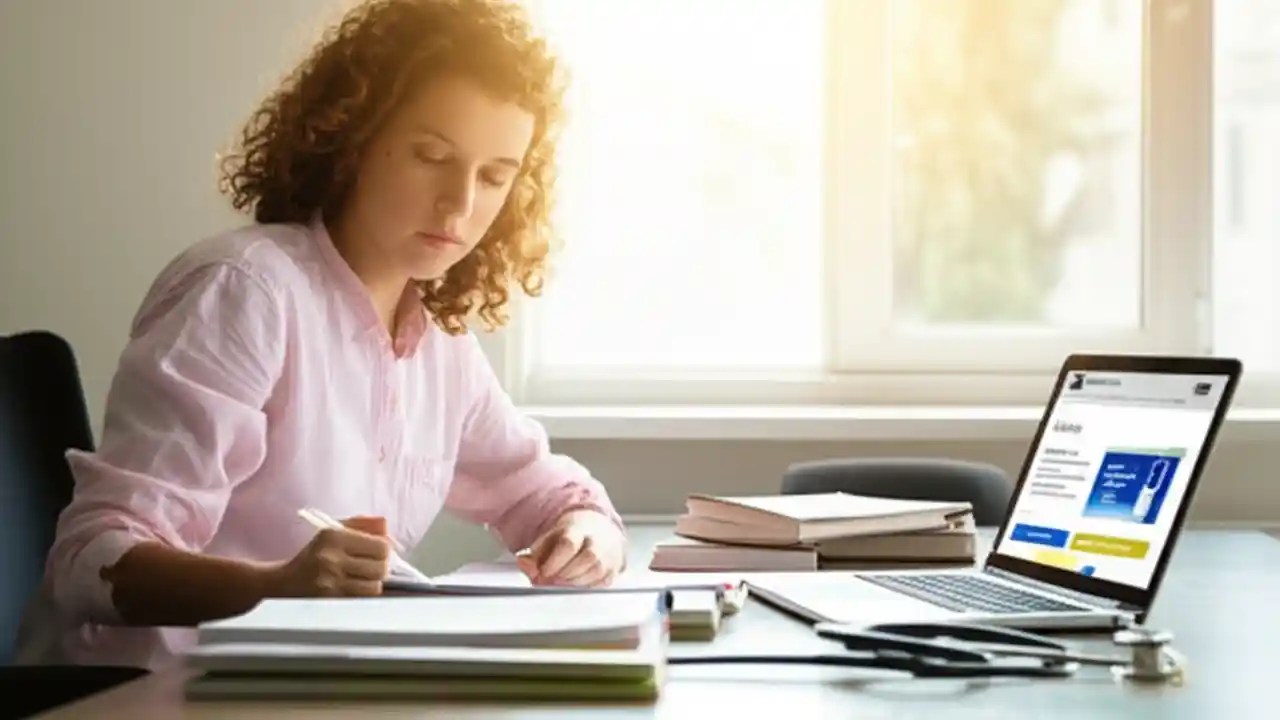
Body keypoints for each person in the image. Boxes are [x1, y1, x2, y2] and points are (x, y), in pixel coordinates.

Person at [15, 0, 626, 670]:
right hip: (152, 688)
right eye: (431, 156)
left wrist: (587, 535)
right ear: (352, 138)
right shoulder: (244, 292)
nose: (460, 203)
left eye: (494, 176)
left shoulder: (438, 344)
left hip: (309, 685)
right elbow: (90, 557)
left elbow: (548, 494)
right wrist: (276, 587)